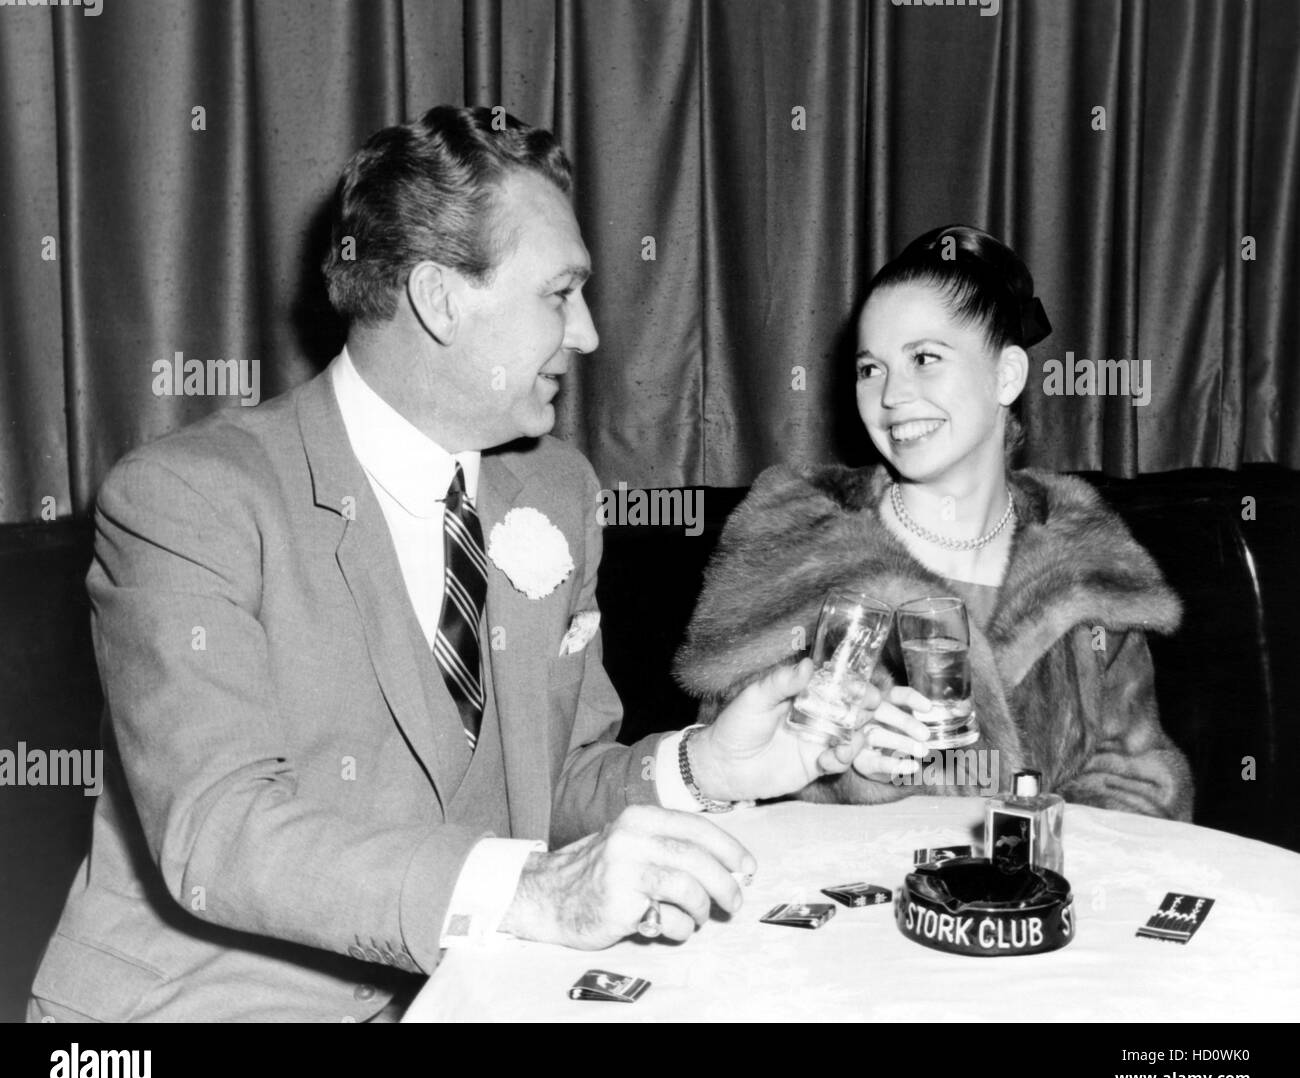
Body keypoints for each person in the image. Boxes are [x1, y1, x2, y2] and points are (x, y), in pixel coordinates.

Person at [28, 106, 917, 1023]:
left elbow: (555, 782)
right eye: (560, 293)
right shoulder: (190, 497)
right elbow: (219, 835)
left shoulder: (556, 492)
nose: (590, 335)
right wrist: (532, 892)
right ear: (439, 299)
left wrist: (707, 767)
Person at [674, 225, 1193, 820]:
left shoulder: (1083, 563)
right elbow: (724, 778)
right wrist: (850, 772)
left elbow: (1139, 777)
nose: (892, 395)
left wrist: (1024, 867)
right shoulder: (792, 546)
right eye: (871, 369)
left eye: (925, 358)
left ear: (1006, 376)